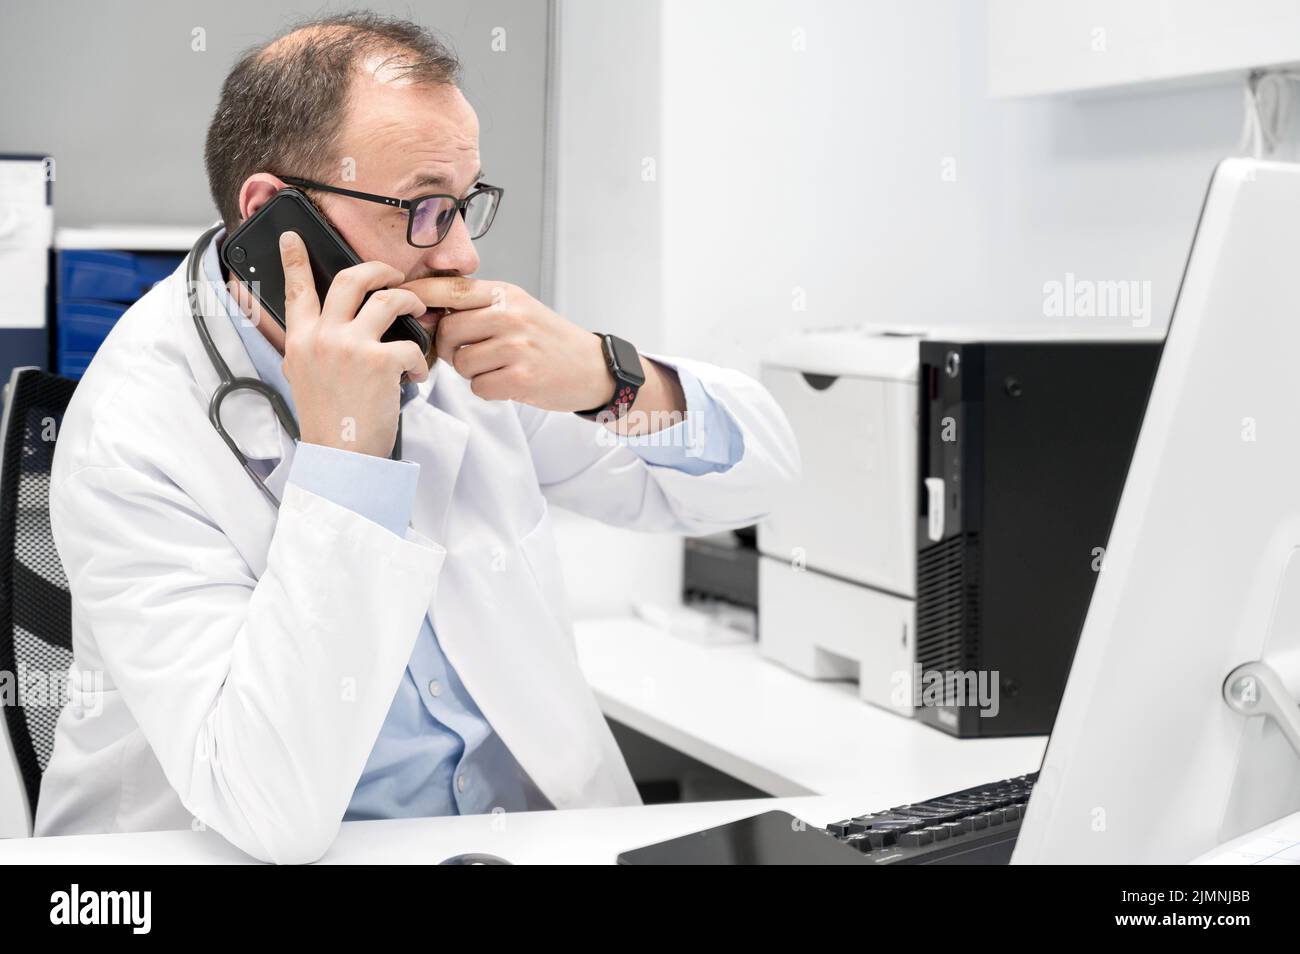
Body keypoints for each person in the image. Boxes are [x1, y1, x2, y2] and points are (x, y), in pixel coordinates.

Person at [35, 12, 799, 864]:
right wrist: (347, 460)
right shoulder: (135, 426)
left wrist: (606, 376)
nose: (464, 255)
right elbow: (269, 809)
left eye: (467, 205)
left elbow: (760, 479)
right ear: (275, 219)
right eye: (426, 210)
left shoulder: (454, 352)